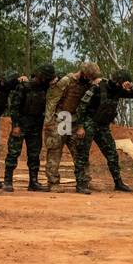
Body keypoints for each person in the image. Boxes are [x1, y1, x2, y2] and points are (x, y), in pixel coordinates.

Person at [74, 67, 133, 193]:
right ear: (118, 81)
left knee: (112, 154)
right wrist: (80, 127)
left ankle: (118, 183)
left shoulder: (119, 90)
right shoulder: (98, 87)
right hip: (89, 123)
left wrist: (130, 88)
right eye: (125, 82)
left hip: (103, 126)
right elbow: (82, 107)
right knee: (82, 155)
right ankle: (80, 184)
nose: (125, 85)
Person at [44, 61, 100, 192]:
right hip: (62, 117)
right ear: (83, 73)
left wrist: (81, 125)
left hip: (75, 119)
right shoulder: (66, 81)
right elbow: (52, 101)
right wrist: (49, 122)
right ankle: (53, 182)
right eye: (88, 76)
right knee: (55, 150)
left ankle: (84, 181)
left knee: (80, 151)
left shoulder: (87, 85)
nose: (89, 79)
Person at [2, 63, 56, 192]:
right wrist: (15, 125)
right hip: (21, 124)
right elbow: (14, 108)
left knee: (34, 155)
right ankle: (8, 181)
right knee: (13, 152)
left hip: (36, 125)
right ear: (42, 76)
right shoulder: (24, 87)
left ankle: (33, 182)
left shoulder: (45, 87)